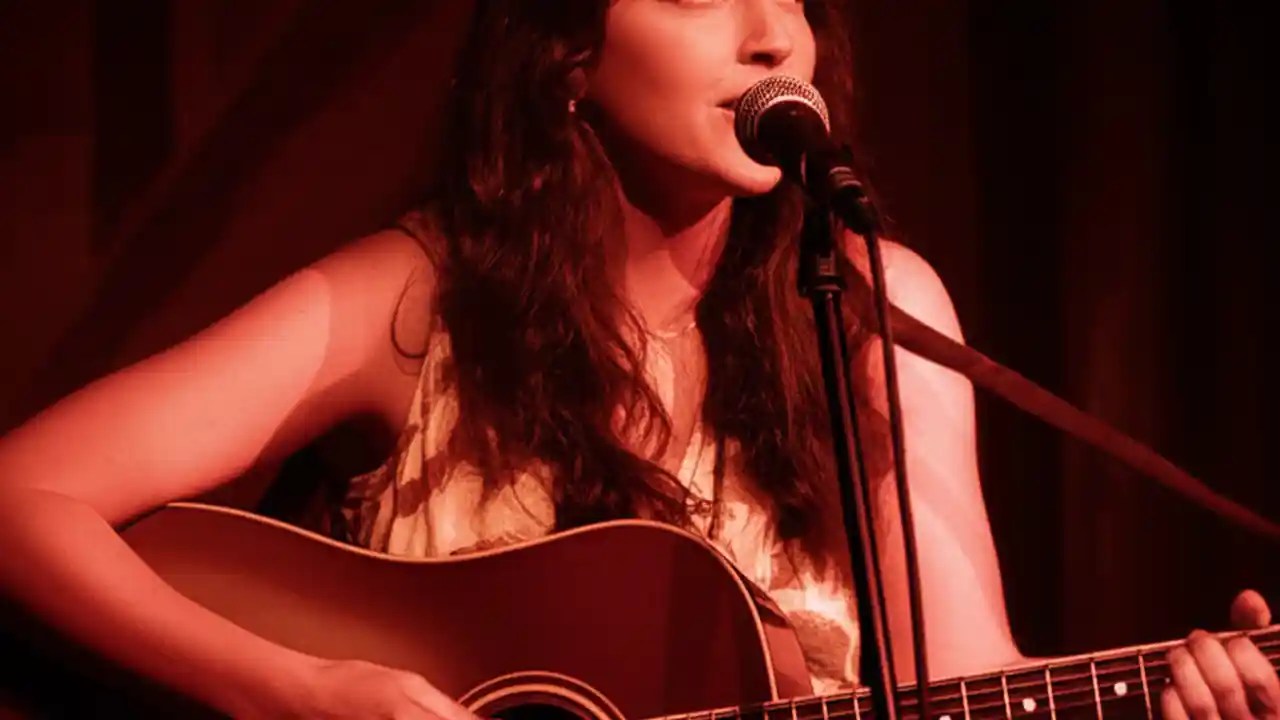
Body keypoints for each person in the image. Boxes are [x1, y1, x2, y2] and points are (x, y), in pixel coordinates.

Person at [0, 1, 1276, 718]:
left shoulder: (873, 310)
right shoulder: (414, 300)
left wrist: (1165, 707)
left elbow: (965, 687)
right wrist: (298, 693)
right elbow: (21, 496)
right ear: (565, 58)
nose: (772, 33)